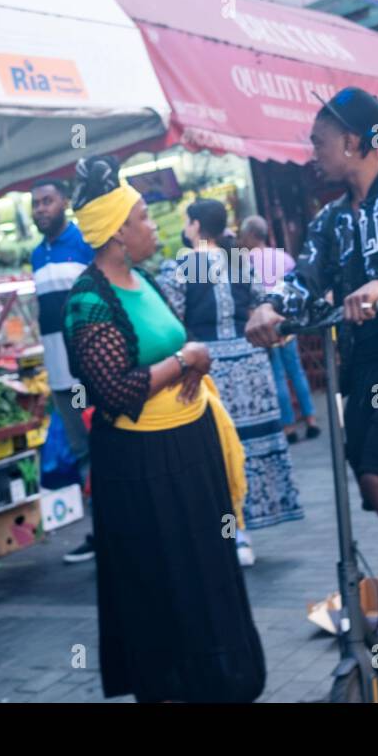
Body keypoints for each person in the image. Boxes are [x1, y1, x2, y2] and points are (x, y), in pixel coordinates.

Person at [245, 86, 378, 656]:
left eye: (318, 142)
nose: (311, 152)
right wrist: (272, 306)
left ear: (350, 141)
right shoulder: (332, 220)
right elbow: (304, 281)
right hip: (361, 363)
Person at [63, 155, 265, 703]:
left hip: (189, 445)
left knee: (207, 566)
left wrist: (190, 361)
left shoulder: (145, 279)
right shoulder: (88, 300)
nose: (156, 227)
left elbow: (167, 350)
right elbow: (114, 391)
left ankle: (223, 680)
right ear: (118, 235)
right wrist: (187, 360)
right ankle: (177, 686)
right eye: (146, 219)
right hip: (142, 465)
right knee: (166, 575)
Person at [158, 202, 303, 567]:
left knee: (216, 450)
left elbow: (170, 322)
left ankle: (230, 532)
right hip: (252, 367)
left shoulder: (183, 266)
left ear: (194, 227)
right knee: (248, 449)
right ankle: (242, 533)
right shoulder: (242, 262)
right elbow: (263, 305)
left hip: (210, 369)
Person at [29, 179, 97, 564]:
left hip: (89, 371)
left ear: (64, 203)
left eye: (47, 201)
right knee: (82, 454)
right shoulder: (37, 255)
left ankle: (120, 528)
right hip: (59, 377)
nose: (41, 209)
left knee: (104, 448)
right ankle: (100, 532)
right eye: (36, 203)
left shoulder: (84, 244)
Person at [236, 215, 320, 443]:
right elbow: (299, 287)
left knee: (278, 376)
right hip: (287, 323)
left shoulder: (244, 262)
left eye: (244, 234)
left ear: (251, 235)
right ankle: (311, 420)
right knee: (296, 371)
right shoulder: (283, 257)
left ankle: (289, 427)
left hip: (264, 324)